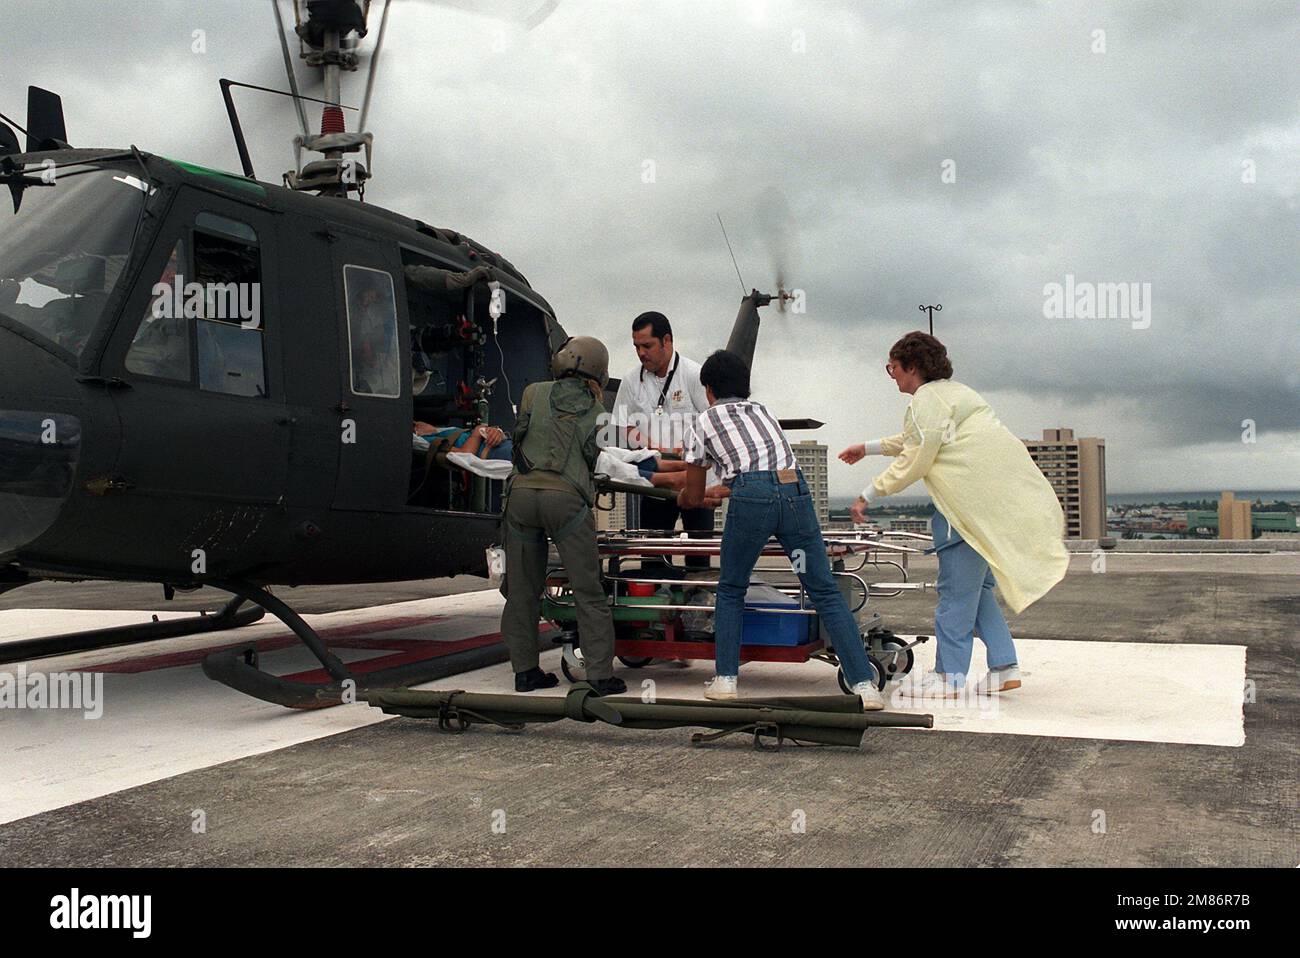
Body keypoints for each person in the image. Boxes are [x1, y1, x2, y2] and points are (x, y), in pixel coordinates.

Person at [840, 331, 1069, 698]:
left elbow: (916, 456)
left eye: (893, 368)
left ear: (911, 367)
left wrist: (869, 493)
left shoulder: (925, 401)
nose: (892, 375)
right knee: (977, 593)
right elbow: (917, 438)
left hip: (962, 511)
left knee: (954, 595)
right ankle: (1004, 665)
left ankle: (949, 677)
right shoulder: (960, 394)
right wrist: (867, 448)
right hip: (990, 510)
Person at [678, 350, 886, 709]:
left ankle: (726, 680)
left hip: (751, 500)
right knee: (823, 590)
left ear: (708, 390)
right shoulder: (763, 412)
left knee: (731, 589)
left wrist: (691, 498)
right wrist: (731, 488)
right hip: (794, 492)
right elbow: (766, 471)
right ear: (745, 387)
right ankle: (865, 686)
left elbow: (696, 491)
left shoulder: (702, 422)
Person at [500, 336, 628, 697]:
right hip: (566, 502)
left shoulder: (533, 393)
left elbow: (520, 436)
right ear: (598, 371)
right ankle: (600, 675)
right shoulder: (599, 410)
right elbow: (593, 457)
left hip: (521, 497)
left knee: (522, 590)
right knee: (588, 589)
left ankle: (525, 672)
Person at [612, 311, 713, 568]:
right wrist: (649, 445)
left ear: (666, 341)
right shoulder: (631, 381)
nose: (641, 353)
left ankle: (696, 600)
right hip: (655, 482)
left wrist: (691, 447)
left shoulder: (693, 374)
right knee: (653, 553)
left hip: (695, 480)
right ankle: (656, 602)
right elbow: (621, 426)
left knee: (698, 553)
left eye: (647, 346)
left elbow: (712, 420)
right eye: (637, 347)